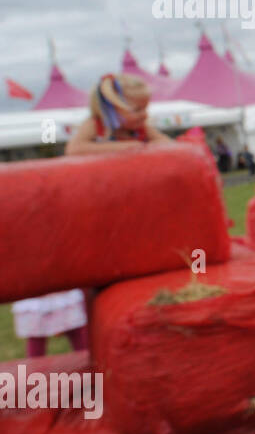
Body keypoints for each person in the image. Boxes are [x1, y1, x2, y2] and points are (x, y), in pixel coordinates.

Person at [18, 74, 173, 356]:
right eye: (137, 110)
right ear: (111, 109)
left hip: (135, 215)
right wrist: (127, 148)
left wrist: (150, 144)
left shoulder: (142, 130)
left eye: (146, 109)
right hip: (100, 217)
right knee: (98, 288)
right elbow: (74, 149)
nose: (144, 116)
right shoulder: (96, 127)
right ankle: (99, 345)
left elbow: (170, 146)